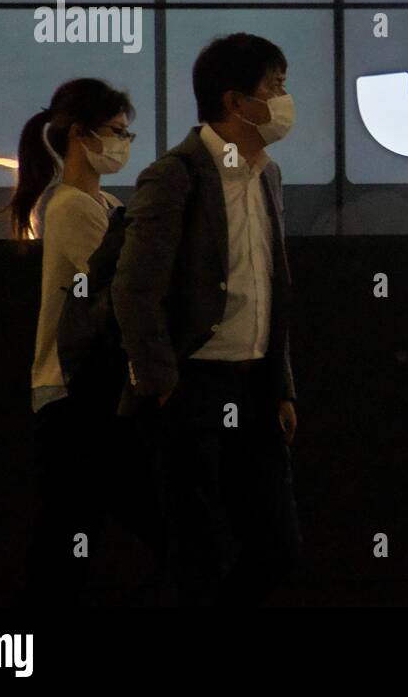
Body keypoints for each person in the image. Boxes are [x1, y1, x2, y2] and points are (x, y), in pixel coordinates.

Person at [112, 33, 301, 606]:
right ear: (235, 102)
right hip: (194, 387)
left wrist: (281, 386)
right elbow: (133, 290)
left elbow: (271, 290)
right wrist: (164, 385)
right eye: (275, 87)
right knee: (198, 550)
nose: (285, 100)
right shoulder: (177, 174)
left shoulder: (267, 173)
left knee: (277, 550)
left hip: (255, 387)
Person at [9, 78, 136, 604]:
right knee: (66, 532)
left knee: (74, 527)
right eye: (117, 131)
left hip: (82, 391)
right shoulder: (72, 208)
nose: (125, 142)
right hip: (70, 391)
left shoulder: (100, 202)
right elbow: (121, 290)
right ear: (81, 135)